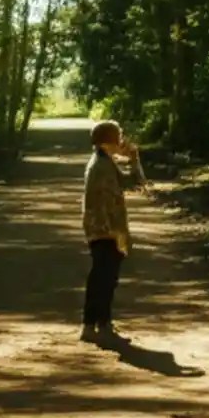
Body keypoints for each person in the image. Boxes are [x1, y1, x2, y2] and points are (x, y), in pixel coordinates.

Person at [81, 120, 146, 344]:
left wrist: (134, 158)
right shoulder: (100, 166)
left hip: (107, 229)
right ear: (108, 141)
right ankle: (93, 324)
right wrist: (112, 232)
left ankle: (102, 322)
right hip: (104, 230)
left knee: (108, 278)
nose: (122, 140)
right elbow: (102, 201)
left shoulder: (106, 162)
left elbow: (136, 183)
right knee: (102, 277)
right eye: (118, 136)